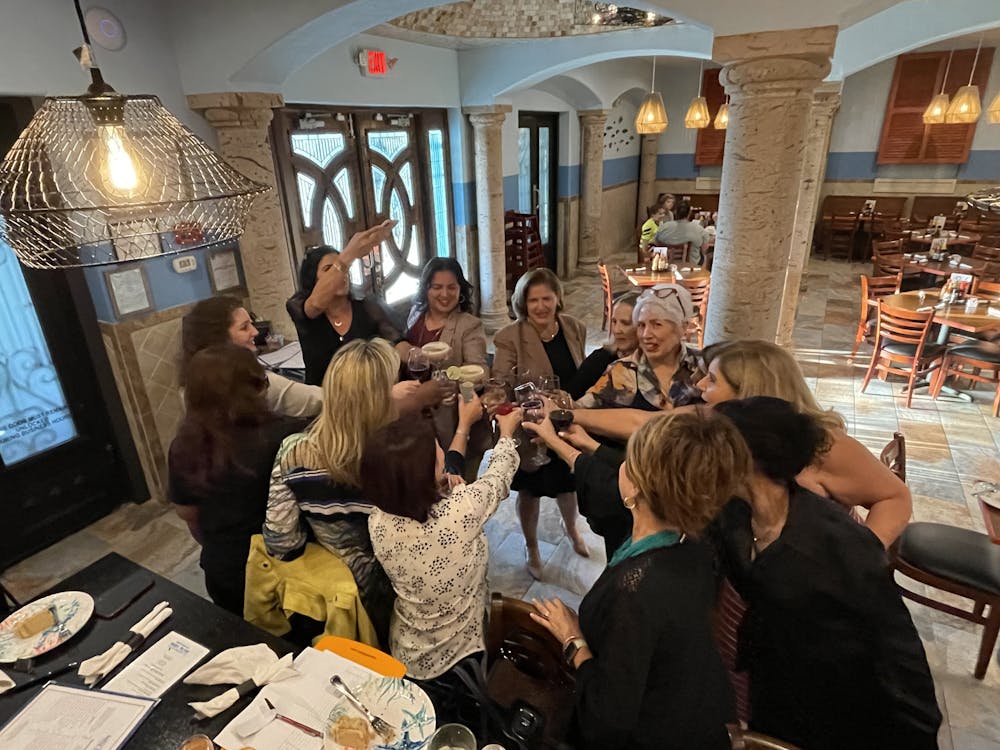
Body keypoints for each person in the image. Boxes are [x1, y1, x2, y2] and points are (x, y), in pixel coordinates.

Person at [711, 397, 941, 750]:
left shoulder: (837, 547)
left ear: (748, 461)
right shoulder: (736, 515)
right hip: (778, 683)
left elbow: (893, 652)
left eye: (713, 447)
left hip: (847, 705)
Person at [529, 411, 748, 750]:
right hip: (695, 709)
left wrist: (573, 640)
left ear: (633, 490)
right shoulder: (697, 542)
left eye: (627, 459)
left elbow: (606, 720)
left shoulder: (635, 592)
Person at [361, 398, 522, 680]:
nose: (443, 458)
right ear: (428, 474)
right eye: (438, 457)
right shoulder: (462, 509)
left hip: (405, 647)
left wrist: (444, 481)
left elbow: (417, 493)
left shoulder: (376, 520)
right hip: (458, 653)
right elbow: (498, 476)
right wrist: (506, 433)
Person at [697, 339, 911, 547]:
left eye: (712, 379)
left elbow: (895, 498)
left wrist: (857, 560)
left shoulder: (825, 445)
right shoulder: (724, 437)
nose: (699, 384)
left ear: (748, 394)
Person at [263, 338, 400, 643]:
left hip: (333, 595)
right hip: (390, 593)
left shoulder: (294, 452)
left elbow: (281, 540)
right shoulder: (396, 456)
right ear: (379, 397)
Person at [168, 344, 308, 614]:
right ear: (253, 390)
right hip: (283, 572)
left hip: (222, 571)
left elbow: (188, 514)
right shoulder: (285, 438)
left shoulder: (183, 445)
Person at [493, 268, 589, 578]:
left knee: (567, 485)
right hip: (530, 430)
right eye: (533, 300)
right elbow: (502, 385)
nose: (541, 306)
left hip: (564, 426)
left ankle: (572, 529)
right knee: (531, 492)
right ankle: (532, 545)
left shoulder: (574, 328)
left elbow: (581, 376)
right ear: (523, 302)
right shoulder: (510, 337)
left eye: (547, 298)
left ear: (558, 298)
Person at [286, 228, 404, 386]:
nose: (341, 274)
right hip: (323, 399)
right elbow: (314, 305)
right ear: (312, 278)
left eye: (343, 269)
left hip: (367, 395)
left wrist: (417, 355)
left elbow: (396, 342)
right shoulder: (298, 305)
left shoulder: (368, 306)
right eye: (329, 270)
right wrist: (350, 254)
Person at [180, 295, 322, 418]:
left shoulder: (189, 391)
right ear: (219, 339)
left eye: (252, 325)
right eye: (244, 327)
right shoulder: (257, 385)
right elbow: (321, 400)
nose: (255, 332)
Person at [576, 284, 703, 412]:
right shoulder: (622, 370)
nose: (646, 335)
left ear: (683, 327)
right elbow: (580, 410)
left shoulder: (704, 365)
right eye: (641, 325)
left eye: (657, 324)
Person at [401, 257, 487, 368]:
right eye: (437, 287)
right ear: (425, 289)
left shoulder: (470, 325)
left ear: (460, 289)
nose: (445, 294)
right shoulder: (416, 311)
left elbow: (478, 371)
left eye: (451, 288)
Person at [568, 292, 640, 399]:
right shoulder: (599, 360)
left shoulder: (654, 365)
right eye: (614, 322)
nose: (616, 330)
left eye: (625, 323)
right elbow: (570, 398)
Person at [654, 200, 712, 265]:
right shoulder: (700, 230)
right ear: (689, 213)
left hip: (664, 266)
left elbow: (656, 244)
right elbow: (704, 250)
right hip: (690, 268)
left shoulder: (663, 227)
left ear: (675, 212)